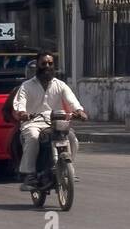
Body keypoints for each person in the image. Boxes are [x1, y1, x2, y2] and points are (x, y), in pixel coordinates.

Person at [12, 51, 87, 190]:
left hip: (56, 122)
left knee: (71, 137)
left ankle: (67, 169)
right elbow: (20, 104)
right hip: (32, 123)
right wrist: (22, 113)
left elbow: (72, 102)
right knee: (33, 137)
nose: (47, 66)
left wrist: (79, 111)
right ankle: (30, 175)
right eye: (44, 63)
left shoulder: (61, 85)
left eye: (50, 64)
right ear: (38, 65)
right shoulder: (26, 86)